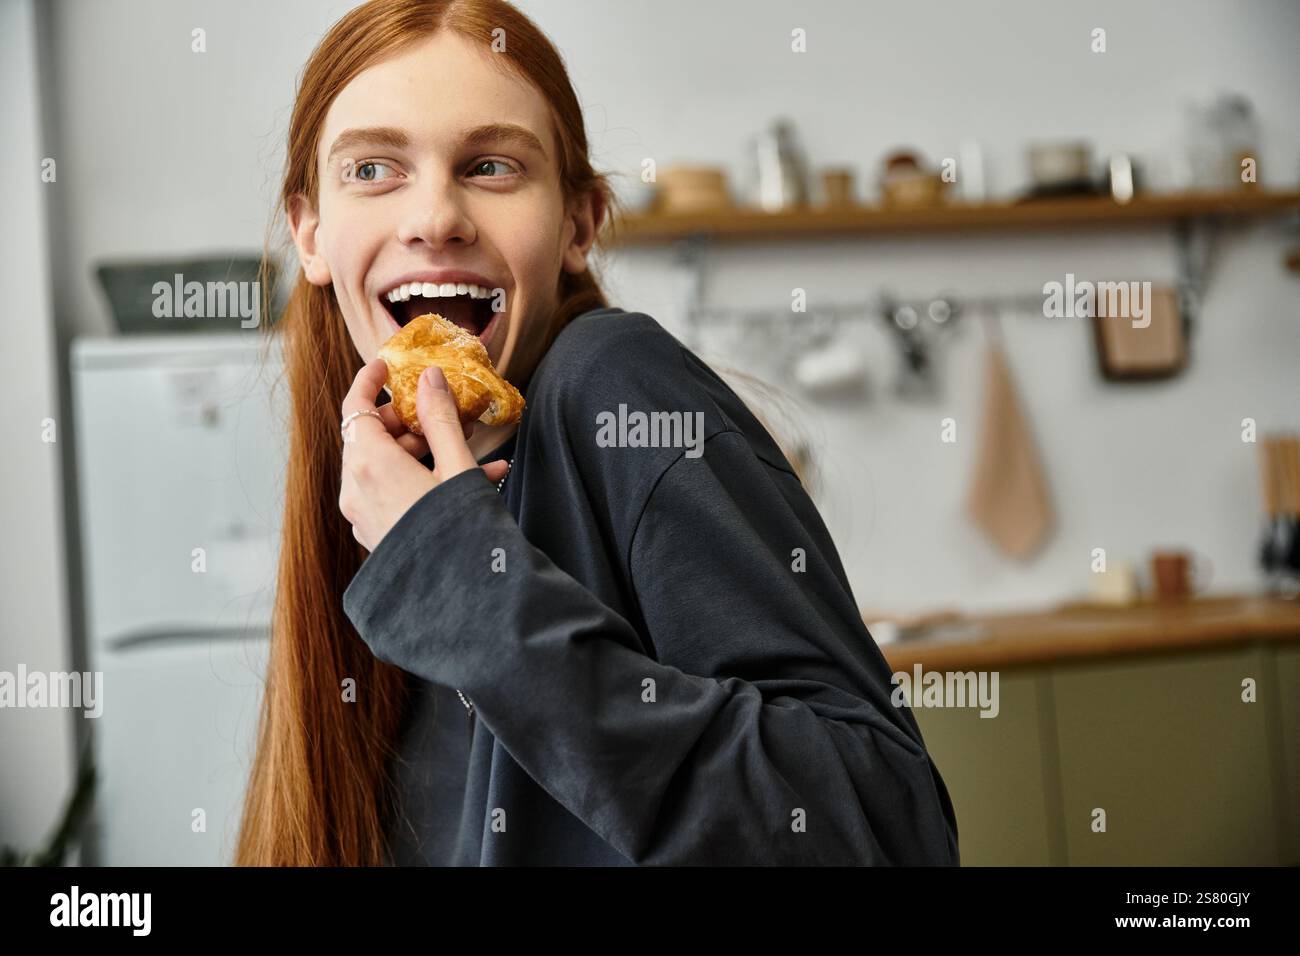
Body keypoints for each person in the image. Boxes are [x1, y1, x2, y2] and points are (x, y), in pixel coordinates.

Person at [236, 0, 959, 866]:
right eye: (372, 169)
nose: (435, 216)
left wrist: (460, 579)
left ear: (579, 223)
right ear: (310, 235)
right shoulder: (375, 501)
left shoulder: (612, 385)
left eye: (492, 165)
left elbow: (884, 825)